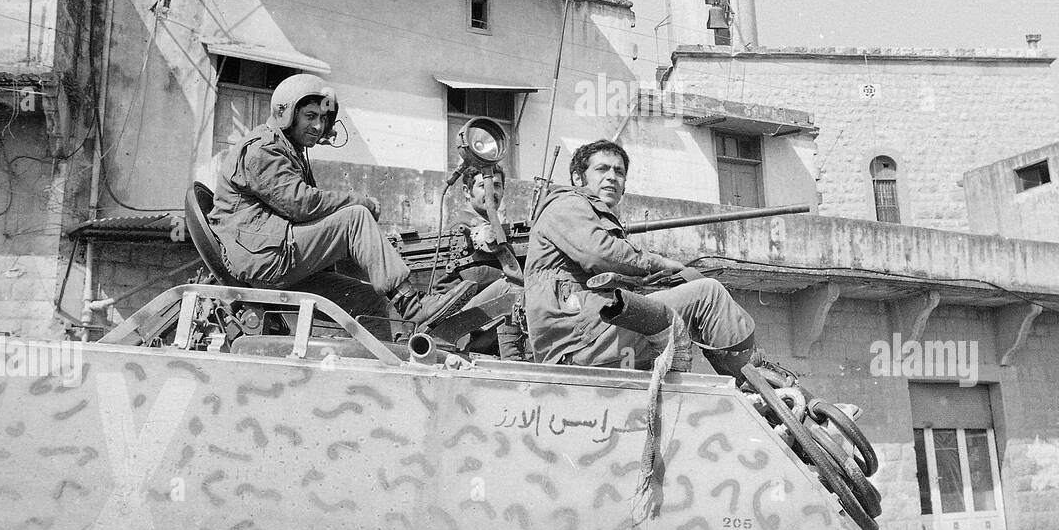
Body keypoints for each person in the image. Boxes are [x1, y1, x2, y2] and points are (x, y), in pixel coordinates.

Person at [524, 139, 763, 382]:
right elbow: (599, 253)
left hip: (592, 329)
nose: (611, 177)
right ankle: (756, 387)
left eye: (619, 172)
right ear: (577, 177)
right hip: (580, 338)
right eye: (601, 169)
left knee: (690, 289)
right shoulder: (566, 204)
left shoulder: (592, 215)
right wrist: (659, 263)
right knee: (707, 295)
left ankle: (753, 377)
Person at [208, 74, 419, 338]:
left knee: (370, 299)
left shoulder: (288, 150)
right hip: (266, 260)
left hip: (278, 256)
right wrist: (359, 201)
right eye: (310, 116)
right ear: (286, 112)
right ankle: (412, 304)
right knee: (355, 218)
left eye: (323, 119)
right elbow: (301, 204)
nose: (318, 126)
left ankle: (382, 361)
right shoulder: (263, 149)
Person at [426, 164, 527, 358]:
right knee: (512, 287)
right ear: (466, 191)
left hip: (473, 319)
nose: (492, 192)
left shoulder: (490, 226)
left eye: (497, 186)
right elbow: (475, 275)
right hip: (450, 318)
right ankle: (513, 360)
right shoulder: (461, 226)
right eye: (484, 185)